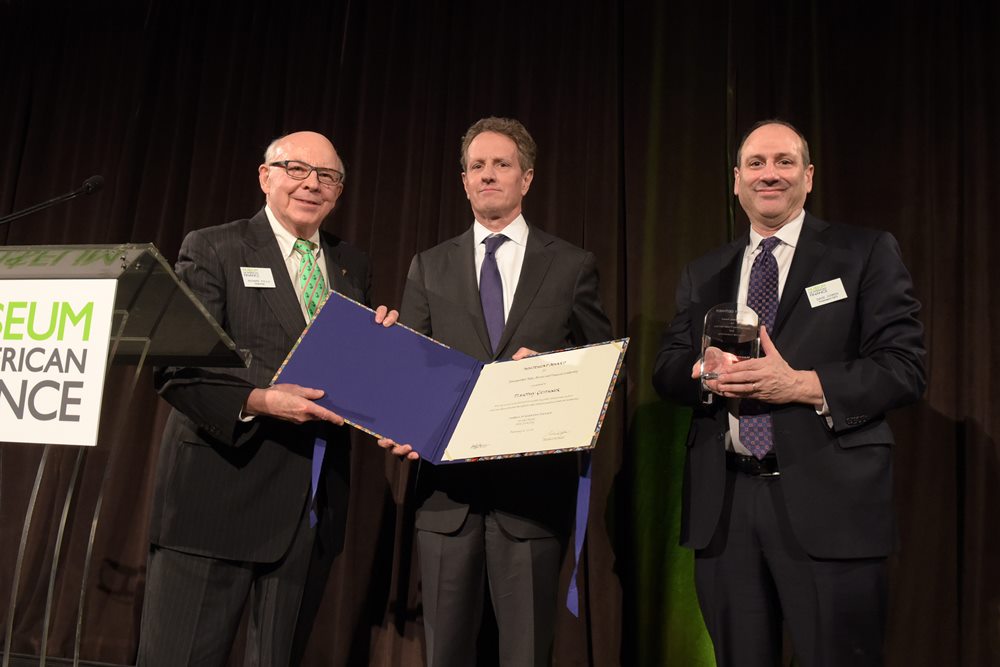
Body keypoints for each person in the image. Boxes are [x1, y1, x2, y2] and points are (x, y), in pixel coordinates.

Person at [652, 119, 926, 667]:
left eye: (783, 162)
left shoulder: (863, 253)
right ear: (736, 181)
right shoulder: (704, 272)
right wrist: (699, 369)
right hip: (726, 509)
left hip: (830, 504)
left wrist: (800, 385)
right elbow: (666, 368)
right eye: (755, 164)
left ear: (809, 177)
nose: (769, 174)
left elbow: (904, 367)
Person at [138, 131, 396, 666]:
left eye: (327, 176)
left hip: (311, 509)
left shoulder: (352, 265)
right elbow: (177, 368)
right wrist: (259, 399)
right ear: (265, 176)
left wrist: (383, 353)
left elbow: (347, 376)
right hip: (217, 497)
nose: (311, 183)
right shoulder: (213, 247)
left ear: (339, 191)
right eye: (296, 168)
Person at [379, 117, 612, 666]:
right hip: (445, 502)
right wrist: (389, 384)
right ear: (463, 181)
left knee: (527, 655)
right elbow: (409, 370)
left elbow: (603, 369)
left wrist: (554, 372)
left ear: (526, 179)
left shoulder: (572, 265)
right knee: (446, 656)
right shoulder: (428, 265)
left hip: (531, 502)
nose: (488, 175)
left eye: (501, 164)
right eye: (476, 166)